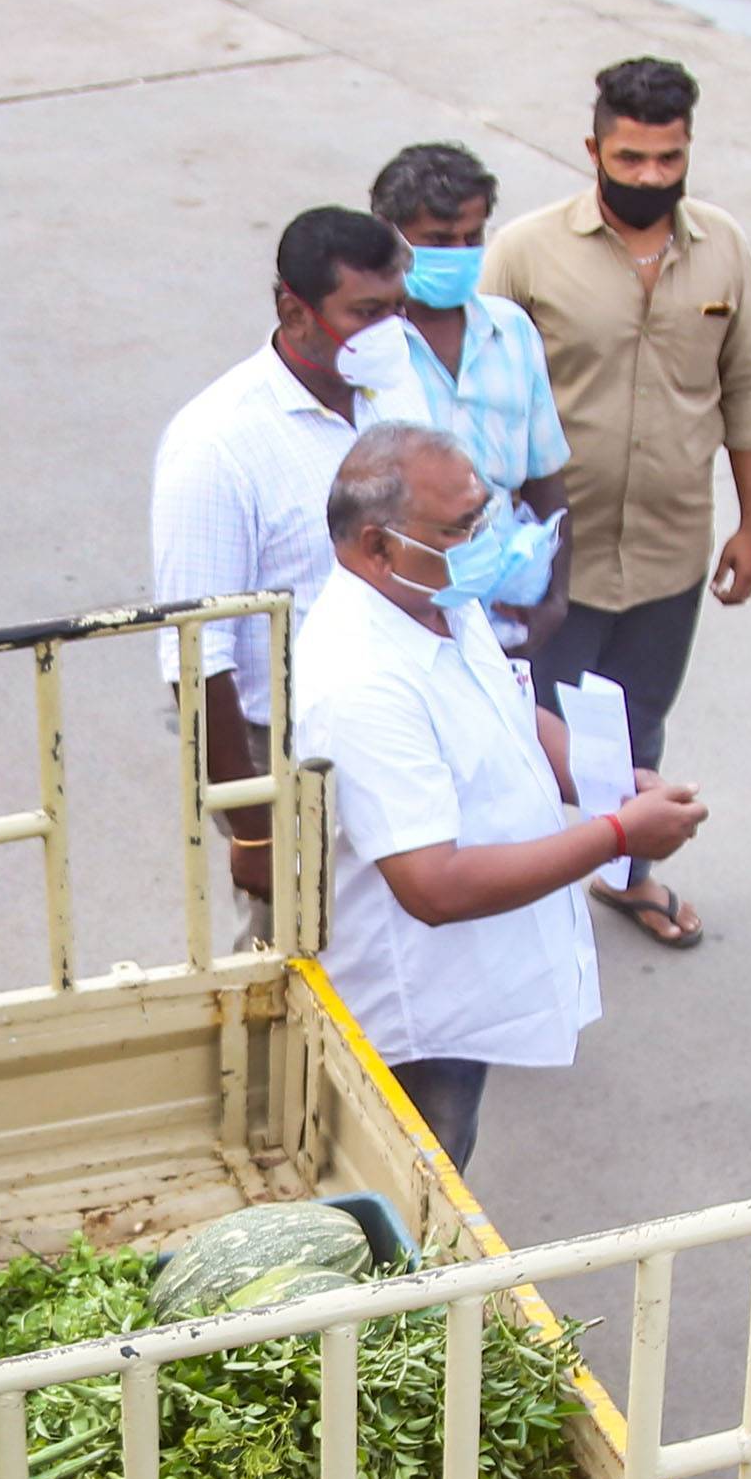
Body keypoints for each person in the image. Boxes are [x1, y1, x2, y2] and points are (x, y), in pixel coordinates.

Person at [299, 423, 706, 1166]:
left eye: (484, 514)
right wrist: (617, 835)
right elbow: (433, 885)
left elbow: (513, 712)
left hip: (474, 985)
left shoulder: (439, 598)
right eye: (460, 527)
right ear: (376, 546)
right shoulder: (361, 681)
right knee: (417, 1187)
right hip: (420, 1018)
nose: (484, 539)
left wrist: (603, 779)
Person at [477, 55, 751, 954]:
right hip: (547, 555)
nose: (650, 177)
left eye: (668, 160)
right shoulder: (527, 252)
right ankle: (521, 902)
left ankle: (624, 875)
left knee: (636, 719)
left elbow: (749, 386)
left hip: (670, 548)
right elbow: (479, 397)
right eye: (631, 159)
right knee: (530, 734)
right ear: (593, 149)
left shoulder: (721, 246)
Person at [150, 205, 404, 918]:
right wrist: (254, 831)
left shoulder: (393, 399)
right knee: (295, 952)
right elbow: (198, 655)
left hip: (393, 716)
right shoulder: (217, 446)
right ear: (294, 311)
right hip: (287, 749)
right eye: (366, 312)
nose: (390, 334)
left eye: (397, 309)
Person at [343, 141, 568, 634]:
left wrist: (556, 597)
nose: (461, 254)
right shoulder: (362, 350)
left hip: (506, 608)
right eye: (440, 241)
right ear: (389, 234)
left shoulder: (512, 331)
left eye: (473, 237)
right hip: (400, 610)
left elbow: (546, 476)